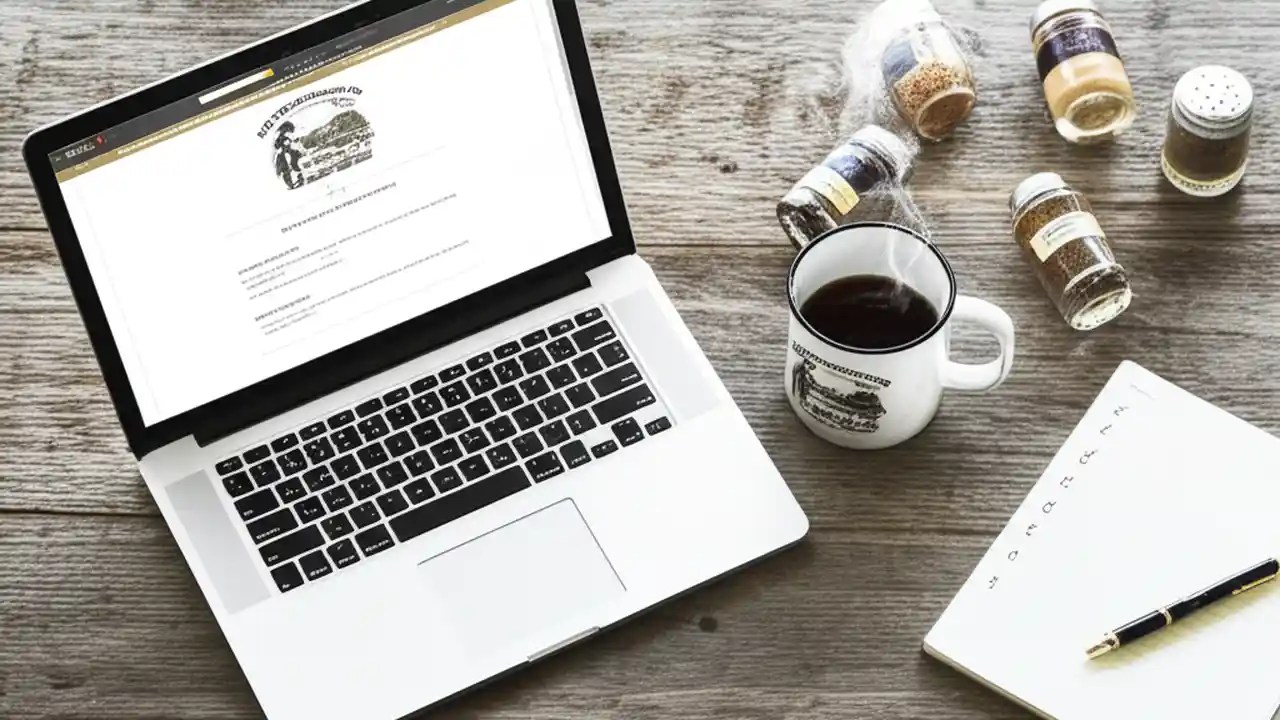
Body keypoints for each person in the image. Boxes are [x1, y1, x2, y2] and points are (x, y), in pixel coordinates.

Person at [274, 122, 304, 189]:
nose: (289, 132)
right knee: (286, 169)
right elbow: (278, 146)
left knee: (293, 165)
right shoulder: (281, 138)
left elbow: (288, 147)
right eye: (287, 130)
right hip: (282, 157)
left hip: (286, 154)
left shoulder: (285, 137)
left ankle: (298, 179)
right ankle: (291, 184)